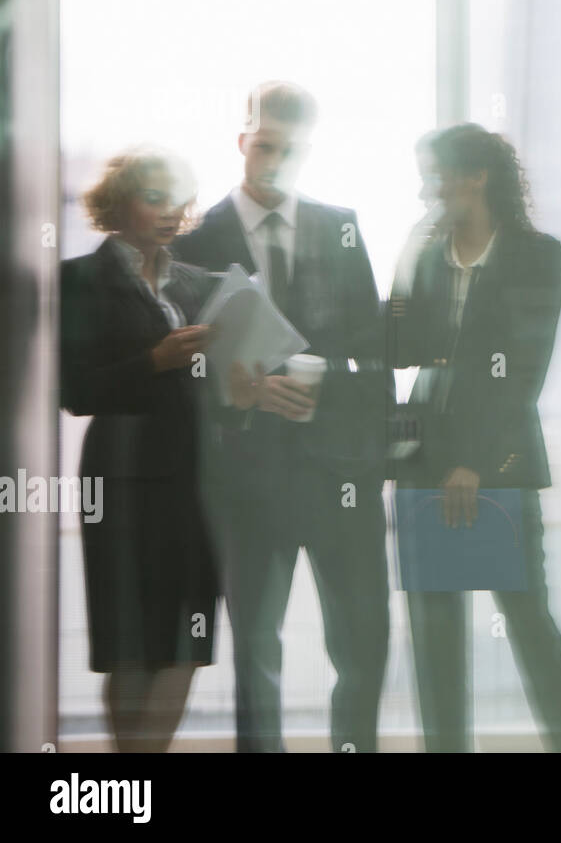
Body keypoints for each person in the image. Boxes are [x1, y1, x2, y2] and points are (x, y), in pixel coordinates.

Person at [171, 80, 390, 752]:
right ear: (242, 140)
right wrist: (242, 392)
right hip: (245, 477)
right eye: (264, 145)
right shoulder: (197, 238)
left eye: (289, 150)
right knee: (255, 652)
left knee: (362, 644)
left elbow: (374, 352)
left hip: (341, 475)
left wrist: (359, 440)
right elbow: (181, 370)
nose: (273, 161)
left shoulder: (341, 225)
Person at [387, 124, 561, 752]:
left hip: (500, 461)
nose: (428, 188)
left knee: (530, 625)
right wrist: (404, 262)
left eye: (437, 173)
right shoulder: (426, 251)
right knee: (435, 634)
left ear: (476, 176)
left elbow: (524, 372)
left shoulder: (538, 254)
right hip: (425, 460)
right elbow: (399, 349)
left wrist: (475, 463)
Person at [59, 148, 219, 751]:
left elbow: (219, 384)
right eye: (154, 198)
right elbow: (72, 389)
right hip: (123, 473)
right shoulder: (78, 279)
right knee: (130, 642)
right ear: (117, 203)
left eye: (178, 200)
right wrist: (157, 360)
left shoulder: (200, 283)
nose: (169, 213)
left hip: (199, 475)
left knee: (186, 639)